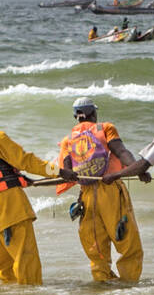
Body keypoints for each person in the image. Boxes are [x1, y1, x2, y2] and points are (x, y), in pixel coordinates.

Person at [0, 103, 73, 285]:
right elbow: (25, 160)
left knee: (5, 268)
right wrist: (58, 171)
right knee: (26, 260)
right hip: (11, 208)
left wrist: (14, 178)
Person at [58, 97, 144, 282]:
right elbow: (121, 151)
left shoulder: (68, 140)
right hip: (110, 188)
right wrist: (138, 168)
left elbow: (66, 171)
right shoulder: (105, 129)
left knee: (96, 248)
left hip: (87, 196)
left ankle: (103, 285)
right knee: (128, 243)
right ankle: (129, 285)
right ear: (93, 113)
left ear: (76, 117)